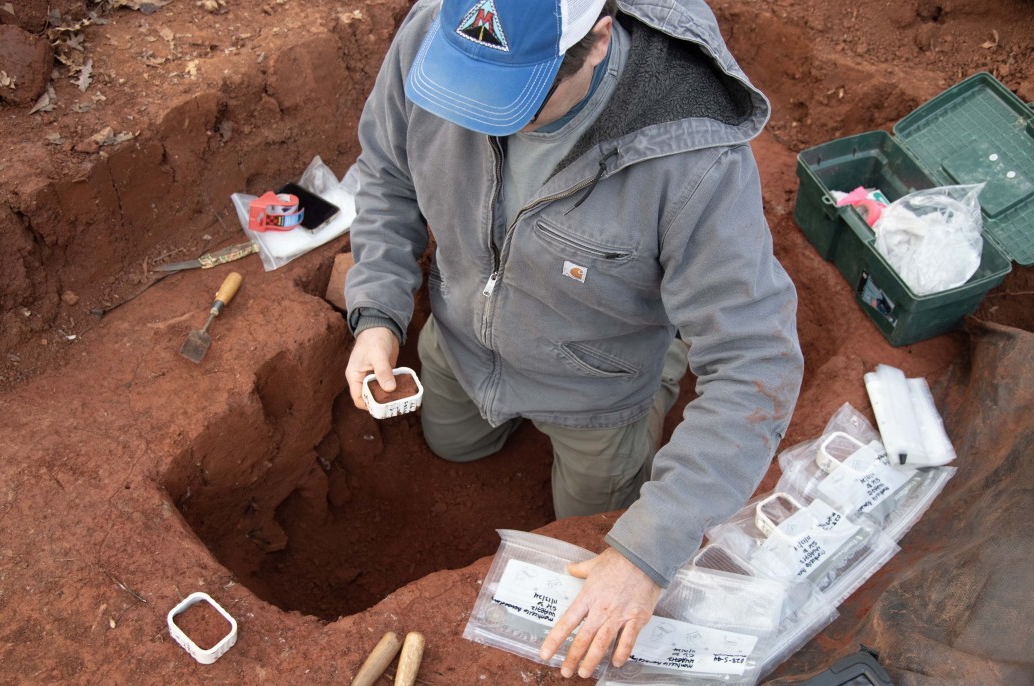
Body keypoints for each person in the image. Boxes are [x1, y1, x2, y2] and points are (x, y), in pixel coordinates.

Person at [343, 0, 802, 678]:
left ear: (597, 40)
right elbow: (385, 178)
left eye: (510, 100)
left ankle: (662, 361)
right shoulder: (440, 38)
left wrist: (649, 552)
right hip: (464, 338)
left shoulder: (691, 159)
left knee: (586, 536)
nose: (471, 115)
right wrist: (378, 313)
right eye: (463, 88)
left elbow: (757, 362)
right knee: (452, 446)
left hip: (598, 387)